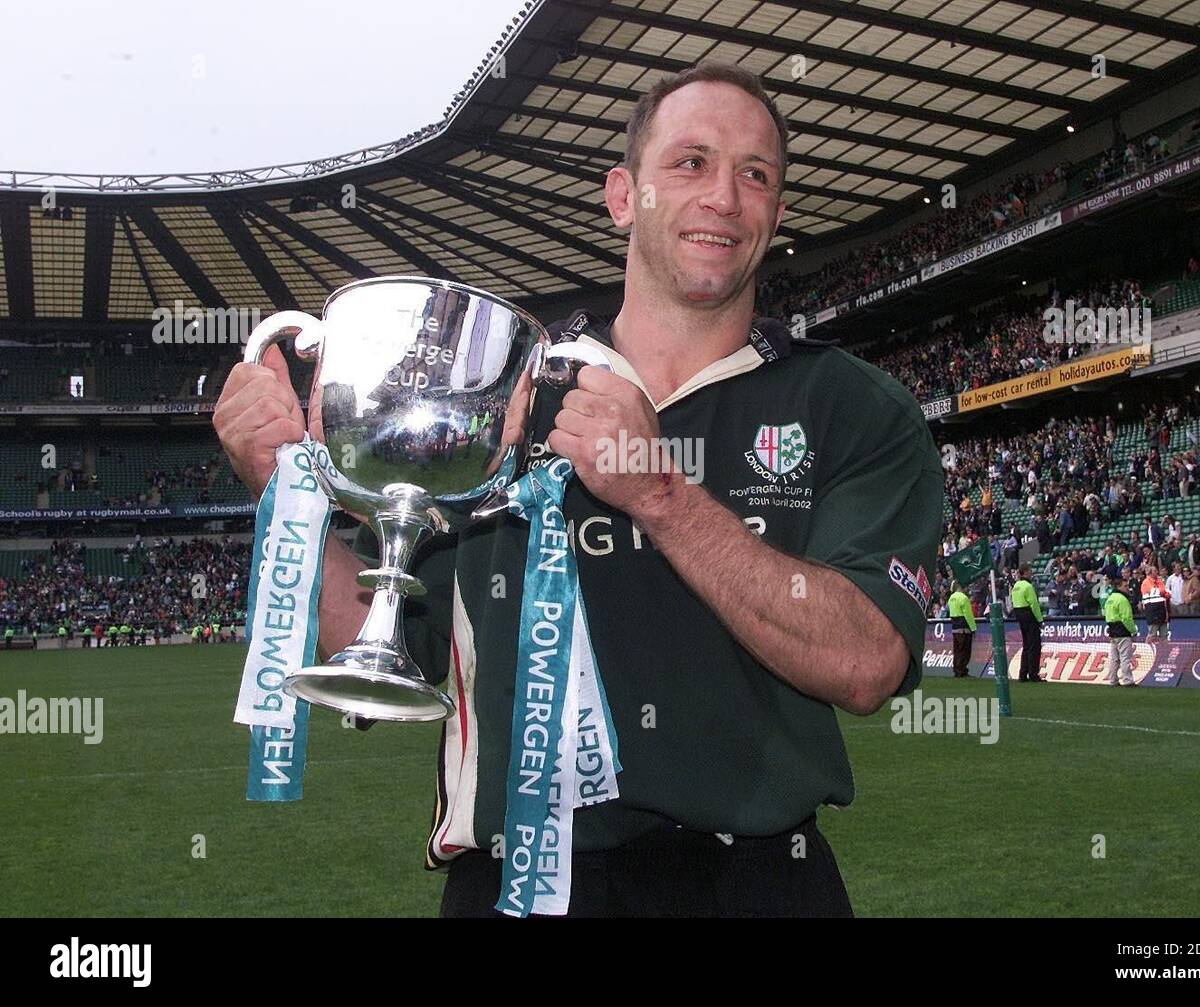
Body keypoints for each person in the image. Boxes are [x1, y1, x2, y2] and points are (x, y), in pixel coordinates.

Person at [214, 62, 943, 918]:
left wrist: (662, 495)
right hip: (516, 884)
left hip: (756, 883)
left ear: (777, 215)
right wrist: (283, 491)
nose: (724, 196)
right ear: (622, 196)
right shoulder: (502, 397)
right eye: (691, 162)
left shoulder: (853, 406)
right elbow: (375, 654)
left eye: (756, 175)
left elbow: (866, 663)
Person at [1103, 574, 1138, 687]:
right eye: (1125, 586)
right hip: (1122, 631)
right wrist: (1133, 630)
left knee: (1114, 658)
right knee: (1125, 657)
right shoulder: (1123, 600)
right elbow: (1126, 618)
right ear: (1119, 587)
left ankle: (1113, 680)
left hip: (1112, 631)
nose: (1128, 588)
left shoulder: (1109, 599)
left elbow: (1107, 616)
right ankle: (1127, 680)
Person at [1011, 565, 1044, 682]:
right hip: (1029, 616)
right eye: (1030, 571)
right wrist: (1040, 620)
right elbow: (1034, 605)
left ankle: (1023, 674)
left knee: (1026, 646)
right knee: (1034, 646)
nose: (1031, 573)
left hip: (1020, 615)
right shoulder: (1028, 586)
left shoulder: (1016, 586)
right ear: (1025, 572)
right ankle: (1033, 674)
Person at [947, 580, 976, 678]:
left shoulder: (951, 598)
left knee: (957, 650)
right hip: (964, 627)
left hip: (955, 626)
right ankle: (962, 670)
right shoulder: (964, 598)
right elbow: (968, 615)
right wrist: (973, 628)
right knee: (965, 650)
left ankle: (956, 669)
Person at [1140, 565, 1172, 643]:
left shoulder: (1160, 581)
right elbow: (1155, 592)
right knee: (1152, 634)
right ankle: (1147, 649)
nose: (1157, 572)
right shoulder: (1146, 582)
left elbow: (1168, 593)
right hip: (1152, 611)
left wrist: (1163, 592)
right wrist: (1163, 592)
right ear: (1150, 573)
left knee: (1164, 634)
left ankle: (1165, 651)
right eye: (1154, 571)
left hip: (1162, 611)